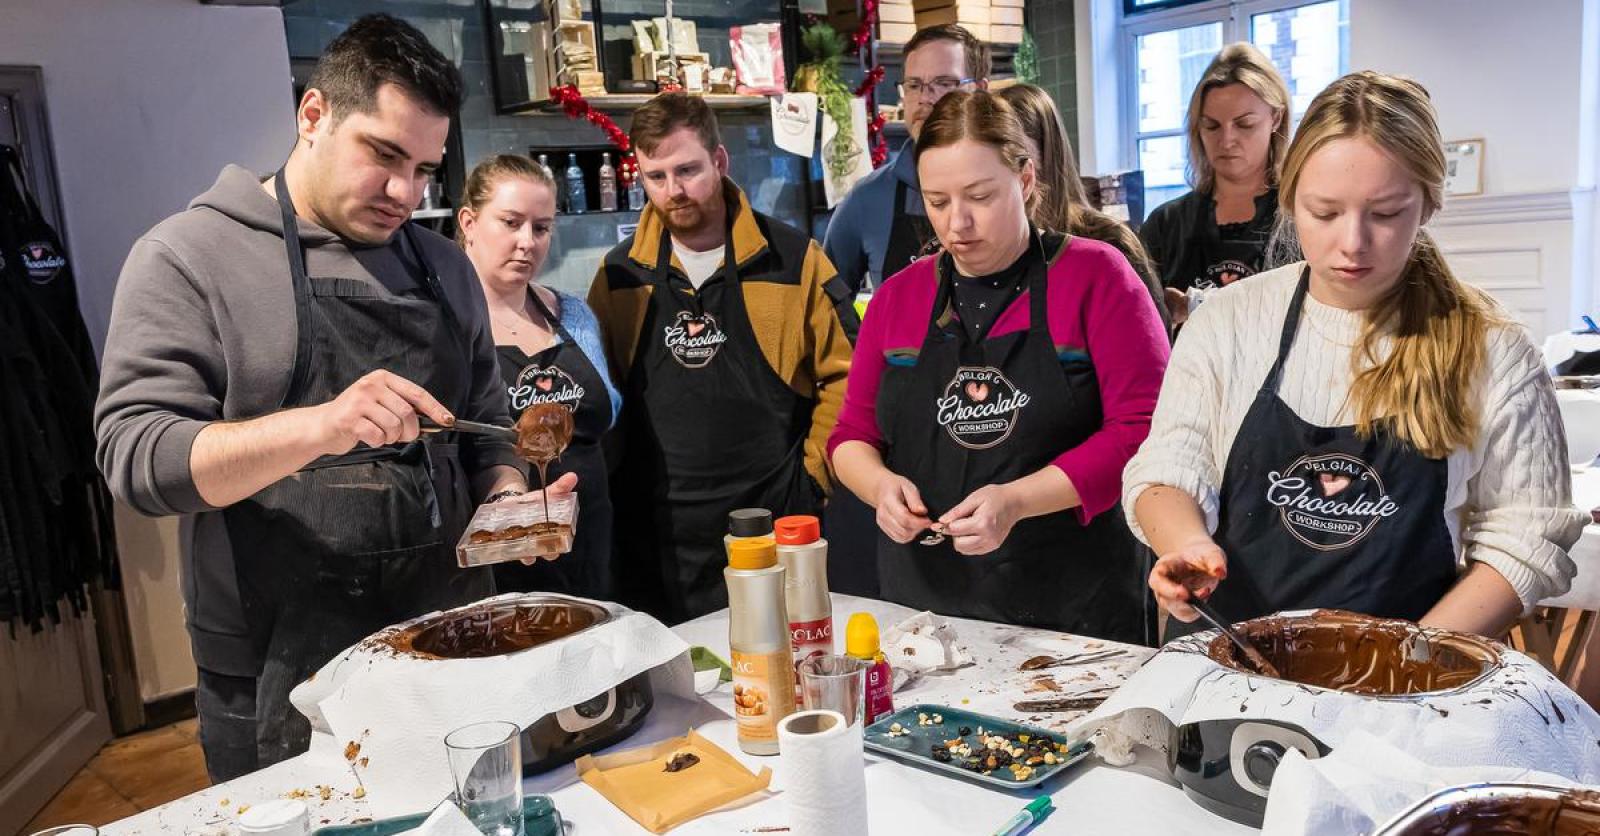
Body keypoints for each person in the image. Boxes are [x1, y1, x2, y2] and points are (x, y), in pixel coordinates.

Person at [95, 15, 566, 780]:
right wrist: (319, 427)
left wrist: (509, 505)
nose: (404, 192)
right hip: (278, 669)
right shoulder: (189, 257)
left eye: (424, 168)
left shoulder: (444, 268)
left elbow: (486, 426)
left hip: (449, 639)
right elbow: (138, 462)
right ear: (312, 115)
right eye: (383, 155)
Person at [1130, 71, 1586, 641]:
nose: (1353, 242)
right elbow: (1168, 470)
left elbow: (1526, 537)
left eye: (1387, 213)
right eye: (1324, 213)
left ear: (1429, 204)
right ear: (1289, 199)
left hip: (1405, 679)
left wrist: (1408, 659)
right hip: (1226, 661)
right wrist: (1185, 543)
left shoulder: (1494, 349)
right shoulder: (1227, 322)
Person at [827, 91, 1170, 643]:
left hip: (1074, 612)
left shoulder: (1097, 277)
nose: (957, 223)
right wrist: (879, 487)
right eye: (937, 202)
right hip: (926, 612)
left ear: (1026, 179)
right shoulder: (898, 299)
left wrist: (1015, 502)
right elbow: (851, 436)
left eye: (980, 196)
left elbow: (1143, 431)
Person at [589, 93, 855, 623]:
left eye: (687, 170)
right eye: (655, 176)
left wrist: (812, 480)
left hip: (773, 523)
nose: (673, 190)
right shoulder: (619, 276)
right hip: (655, 539)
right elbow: (601, 395)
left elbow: (849, 376)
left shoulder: (793, 261)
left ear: (719, 160)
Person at [457, 154, 620, 598]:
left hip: (592, 542)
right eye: (511, 223)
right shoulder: (446, 325)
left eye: (541, 227)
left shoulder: (573, 314)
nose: (527, 242)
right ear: (469, 223)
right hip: (505, 559)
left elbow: (608, 414)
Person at [824, 24, 990, 297]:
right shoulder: (867, 199)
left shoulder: (1008, 191)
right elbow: (827, 306)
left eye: (944, 83)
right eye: (914, 85)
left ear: (980, 91)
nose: (924, 98)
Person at [997, 83, 1170, 332]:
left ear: (1046, 153)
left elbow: (1153, 341)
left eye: (1012, 152)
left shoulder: (1109, 243)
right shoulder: (989, 250)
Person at [1138, 43, 1289, 325]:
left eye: (1244, 124)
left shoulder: (1303, 219)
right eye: (1212, 126)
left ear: (1276, 119)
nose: (1227, 140)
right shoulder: (1166, 224)